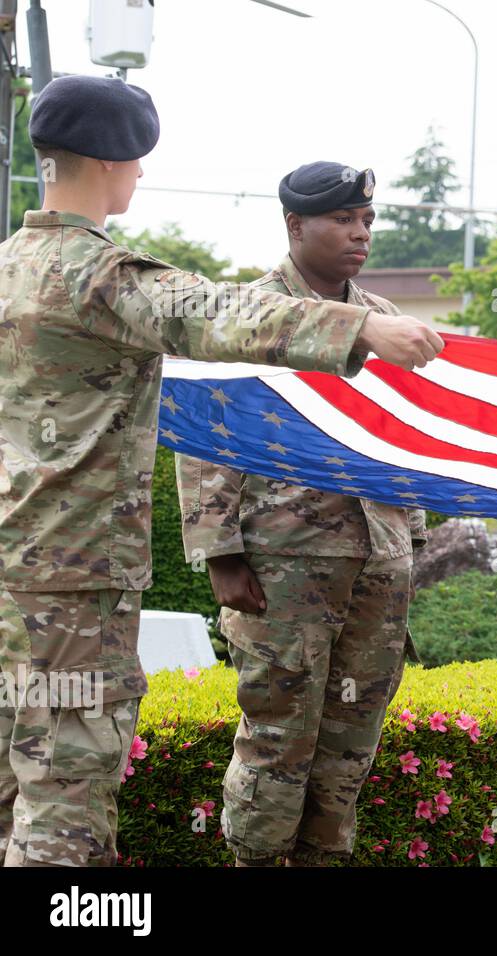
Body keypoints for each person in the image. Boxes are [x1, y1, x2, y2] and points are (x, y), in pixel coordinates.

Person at [0, 76, 443, 867]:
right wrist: (361, 328)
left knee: (13, 788)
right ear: (116, 160)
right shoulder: (95, 274)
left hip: (15, 579)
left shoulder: (10, 267)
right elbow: (216, 315)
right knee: (63, 810)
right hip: (69, 591)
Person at [175, 162, 429, 867]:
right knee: (278, 743)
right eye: (344, 220)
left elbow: (403, 435)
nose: (360, 234)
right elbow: (204, 430)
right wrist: (220, 551)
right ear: (296, 225)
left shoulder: (387, 326)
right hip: (281, 565)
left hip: (377, 563)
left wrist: (412, 539)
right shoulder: (247, 314)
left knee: (349, 748)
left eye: (368, 220)